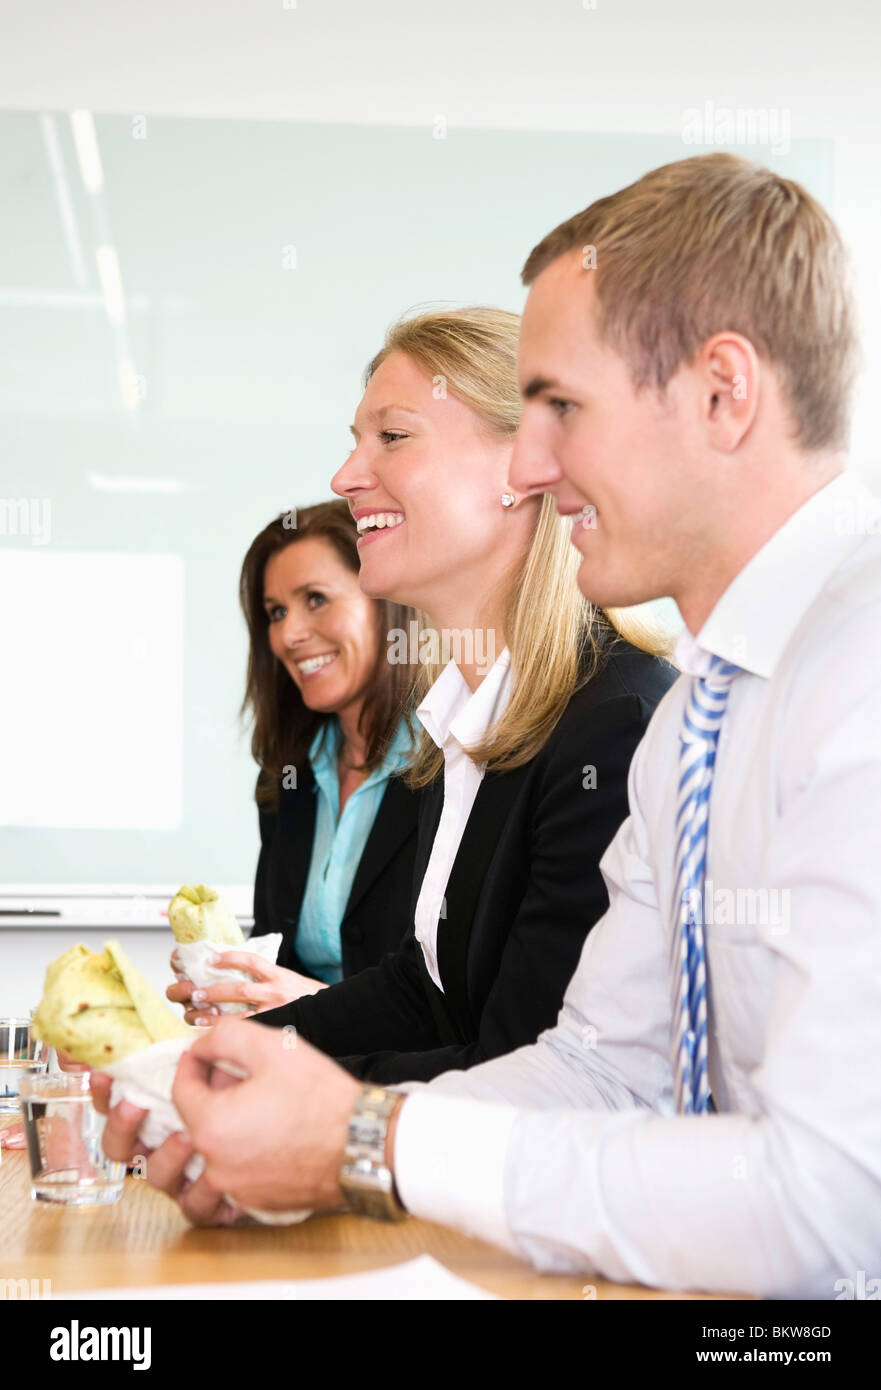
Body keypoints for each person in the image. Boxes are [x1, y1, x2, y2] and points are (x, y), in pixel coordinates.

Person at [96, 153, 881, 1297]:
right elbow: (602, 1071)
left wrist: (365, 1144)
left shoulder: (852, 675)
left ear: (722, 392)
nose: (530, 460)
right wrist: (321, 1144)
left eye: (561, 405)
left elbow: (831, 1205)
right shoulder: (697, 728)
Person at [199, 306, 674, 1081]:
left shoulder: (614, 726)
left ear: (522, 468)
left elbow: (525, 1064)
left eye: (391, 436)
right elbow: (428, 991)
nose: (345, 477)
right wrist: (216, 1056)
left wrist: (281, 1092)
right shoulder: (464, 723)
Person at [168, 502, 423, 1018]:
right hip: (300, 1071)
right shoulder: (290, 776)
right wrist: (233, 987)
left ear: (388, 603)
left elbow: (453, 1005)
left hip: (411, 1083)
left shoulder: (454, 765)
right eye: (276, 612)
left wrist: (309, 1005)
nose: (287, 635)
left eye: (316, 599)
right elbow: (279, 959)